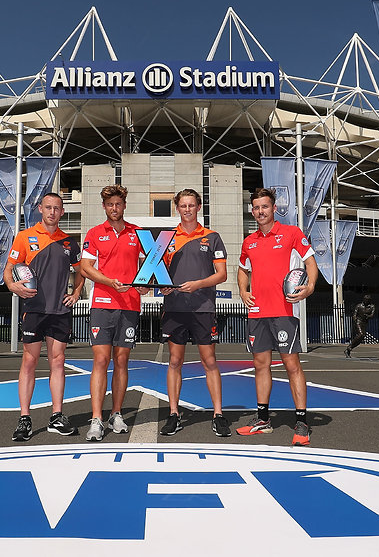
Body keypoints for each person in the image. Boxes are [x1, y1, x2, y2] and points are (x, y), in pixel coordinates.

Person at [237, 188, 319, 446]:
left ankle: (302, 423)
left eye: (265, 206)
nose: (260, 211)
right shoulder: (249, 241)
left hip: (284, 311)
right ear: (253, 211)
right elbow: (242, 269)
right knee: (260, 366)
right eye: (256, 208)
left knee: (291, 365)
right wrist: (242, 290)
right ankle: (263, 420)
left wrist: (311, 287)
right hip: (257, 313)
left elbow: (311, 262)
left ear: (274, 209)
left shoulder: (291, 233)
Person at [4, 192, 85, 442]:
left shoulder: (69, 243)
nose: (52, 212)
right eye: (48, 207)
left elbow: (82, 271)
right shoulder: (24, 237)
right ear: (40, 208)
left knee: (58, 362)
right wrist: (12, 286)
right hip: (34, 309)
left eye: (56, 208)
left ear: (62, 212)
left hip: (59, 310)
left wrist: (77, 292)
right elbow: (9, 271)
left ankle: (57, 416)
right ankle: (25, 419)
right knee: (29, 361)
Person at [159, 188, 231, 437]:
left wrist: (198, 284)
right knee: (175, 362)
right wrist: (163, 286)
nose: (187, 209)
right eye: (183, 206)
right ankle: (173, 414)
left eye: (191, 205)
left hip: (203, 308)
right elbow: (157, 273)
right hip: (174, 308)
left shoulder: (212, 237)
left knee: (209, 362)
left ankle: (218, 415)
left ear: (199, 207)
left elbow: (221, 275)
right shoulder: (166, 238)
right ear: (177, 208)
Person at [79, 185, 149, 441]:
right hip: (102, 303)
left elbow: (149, 266)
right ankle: (96, 418)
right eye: (110, 205)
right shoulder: (95, 233)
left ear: (124, 205)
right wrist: (109, 282)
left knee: (121, 362)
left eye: (118, 204)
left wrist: (144, 284)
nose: (114, 208)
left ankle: (116, 413)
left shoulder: (137, 233)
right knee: (100, 360)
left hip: (130, 304)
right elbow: (86, 267)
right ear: (104, 207)